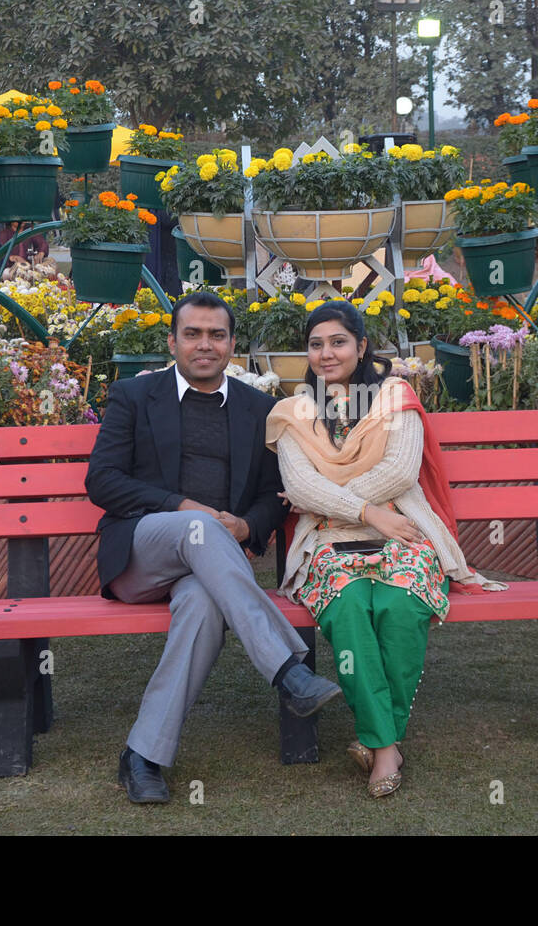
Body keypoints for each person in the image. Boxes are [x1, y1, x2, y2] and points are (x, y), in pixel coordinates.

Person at [85, 290, 343, 804]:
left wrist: (247, 528)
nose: (205, 345)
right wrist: (181, 507)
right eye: (193, 334)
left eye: (217, 335)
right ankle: (288, 670)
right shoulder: (135, 397)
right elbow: (103, 481)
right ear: (173, 341)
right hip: (143, 555)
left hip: (210, 569)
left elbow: (275, 496)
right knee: (198, 529)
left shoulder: (260, 409)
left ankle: (143, 756)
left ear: (231, 345)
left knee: (202, 606)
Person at [265, 301, 506, 798]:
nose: (326, 353)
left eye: (338, 342)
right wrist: (369, 511)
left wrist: (330, 488)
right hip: (329, 537)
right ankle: (386, 746)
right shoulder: (294, 413)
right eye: (316, 344)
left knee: (400, 604)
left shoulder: (395, 396)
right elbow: (298, 486)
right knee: (349, 607)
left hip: (406, 530)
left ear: (361, 346)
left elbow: (398, 471)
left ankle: (378, 741)